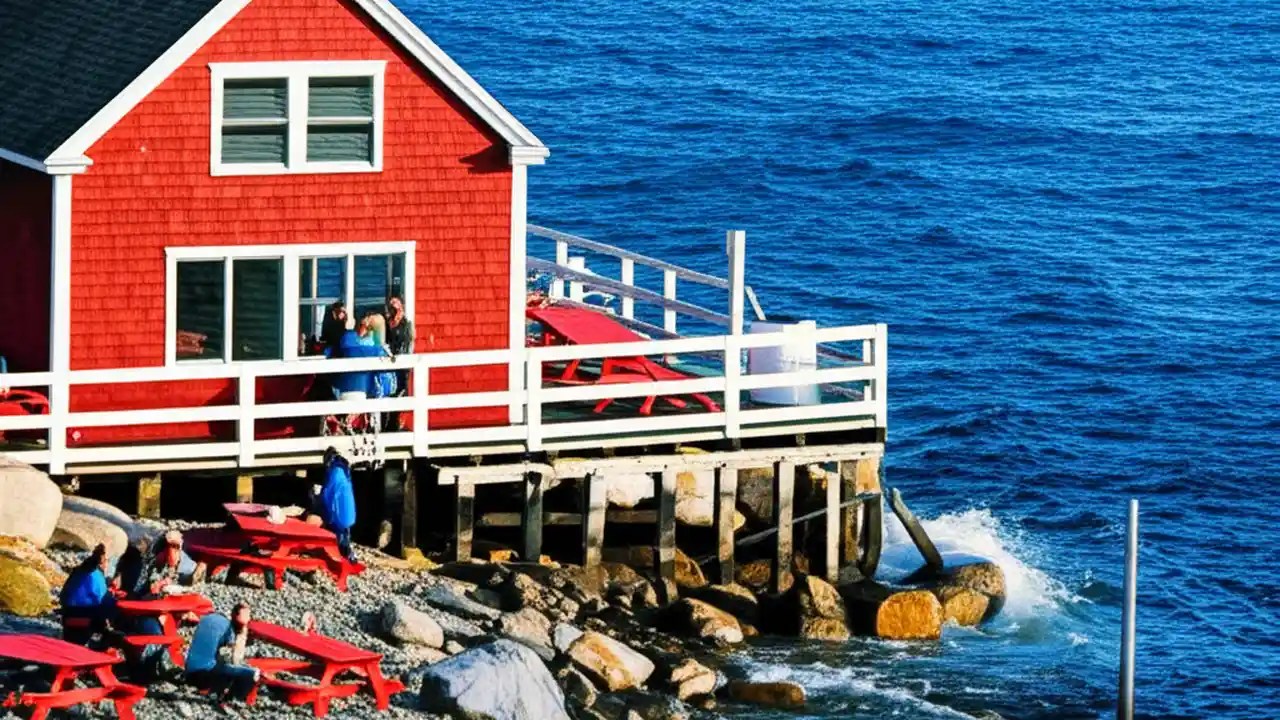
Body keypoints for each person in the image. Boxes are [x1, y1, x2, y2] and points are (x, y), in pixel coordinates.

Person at [184, 602, 259, 705]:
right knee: (252, 674)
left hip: (189, 672)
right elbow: (231, 660)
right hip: (205, 675)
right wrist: (243, 634)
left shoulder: (207, 618)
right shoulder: (229, 631)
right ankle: (232, 700)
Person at [59, 544, 116, 647]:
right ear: (103, 562)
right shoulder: (97, 575)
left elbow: (63, 598)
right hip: (90, 620)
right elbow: (105, 602)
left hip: (69, 617)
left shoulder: (78, 571)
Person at [312, 447, 358, 563]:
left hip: (338, 516)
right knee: (345, 535)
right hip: (348, 513)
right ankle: (349, 555)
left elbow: (328, 496)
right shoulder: (343, 473)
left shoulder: (334, 474)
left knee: (339, 537)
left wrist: (317, 498)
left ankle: (341, 557)